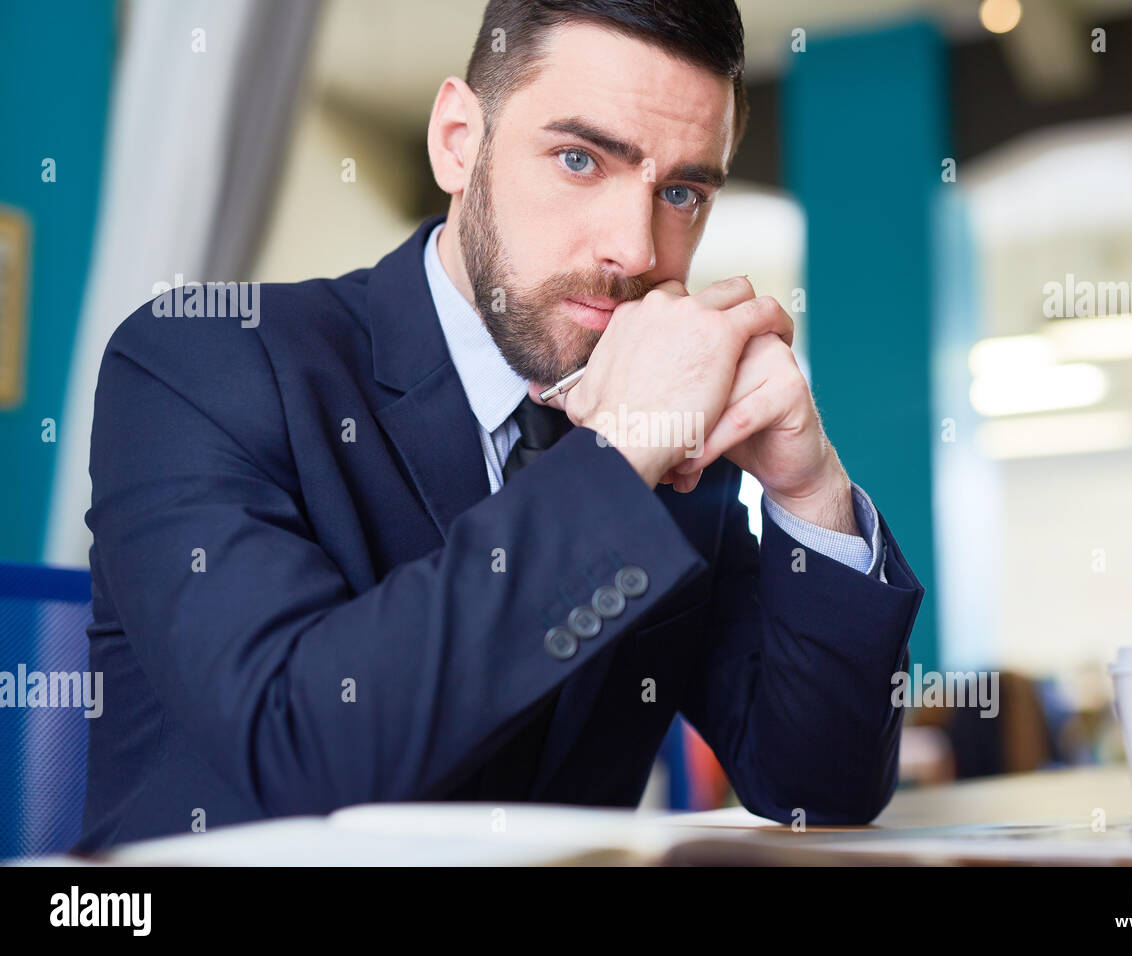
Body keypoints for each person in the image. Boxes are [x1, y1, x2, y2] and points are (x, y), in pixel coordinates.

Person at [75, 0, 923, 852]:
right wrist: (619, 450)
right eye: (579, 158)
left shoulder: (669, 446)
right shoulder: (197, 361)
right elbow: (302, 747)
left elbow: (823, 789)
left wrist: (811, 492)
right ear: (457, 141)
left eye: (680, 192)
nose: (635, 248)